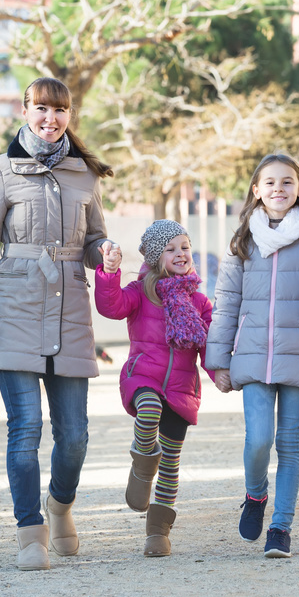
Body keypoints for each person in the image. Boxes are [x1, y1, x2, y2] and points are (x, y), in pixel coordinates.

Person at [0, 77, 114, 571]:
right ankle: (31, 532)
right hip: (13, 309)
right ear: (25, 109)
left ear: (70, 114)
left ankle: (60, 507)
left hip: (69, 312)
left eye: (60, 110)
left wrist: (105, 254)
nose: (51, 118)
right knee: (25, 427)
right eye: (42, 108)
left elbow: (94, 242)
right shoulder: (0, 170)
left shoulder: (84, 174)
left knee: (74, 436)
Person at [206, 153, 299, 559]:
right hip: (252, 356)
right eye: (270, 182)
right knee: (259, 440)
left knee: (290, 444)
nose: (279, 189)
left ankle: (281, 528)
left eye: (287, 182)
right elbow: (225, 304)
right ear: (256, 190)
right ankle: (256, 495)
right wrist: (218, 359)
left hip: (296, 353)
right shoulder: (242, 241)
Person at [94, 219, 214, 557]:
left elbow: (210, 347)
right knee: (149, 411)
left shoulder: (200, 302)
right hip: (143, 376)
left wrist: (221, 373)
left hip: (181, 389)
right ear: (155, 257)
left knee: (172, 460)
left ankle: (158, 532)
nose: (180, 254)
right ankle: (144, 463)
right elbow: (111, 306)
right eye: (170, 249)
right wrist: (108, 272)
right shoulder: (141, 291)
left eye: (185, 247)